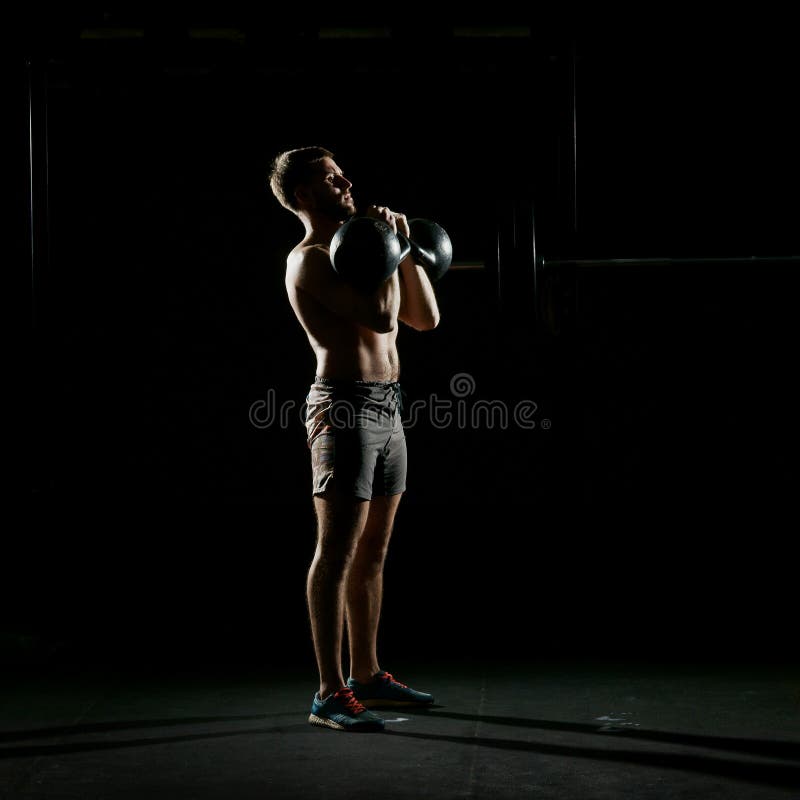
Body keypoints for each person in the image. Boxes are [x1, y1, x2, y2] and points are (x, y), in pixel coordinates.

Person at [268, 146, 441, 732]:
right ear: (304, 196)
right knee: (337, 551)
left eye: (340, 172)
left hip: (388, 406)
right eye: (329, 177)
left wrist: (407, 249)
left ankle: (366, 674)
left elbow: (425, 320)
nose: (346, 181)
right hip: (342, 408)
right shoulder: (311, 259)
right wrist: (389, 254)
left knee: (374, 552)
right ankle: (328, 692)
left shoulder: (364, 249)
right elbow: (383, 319)